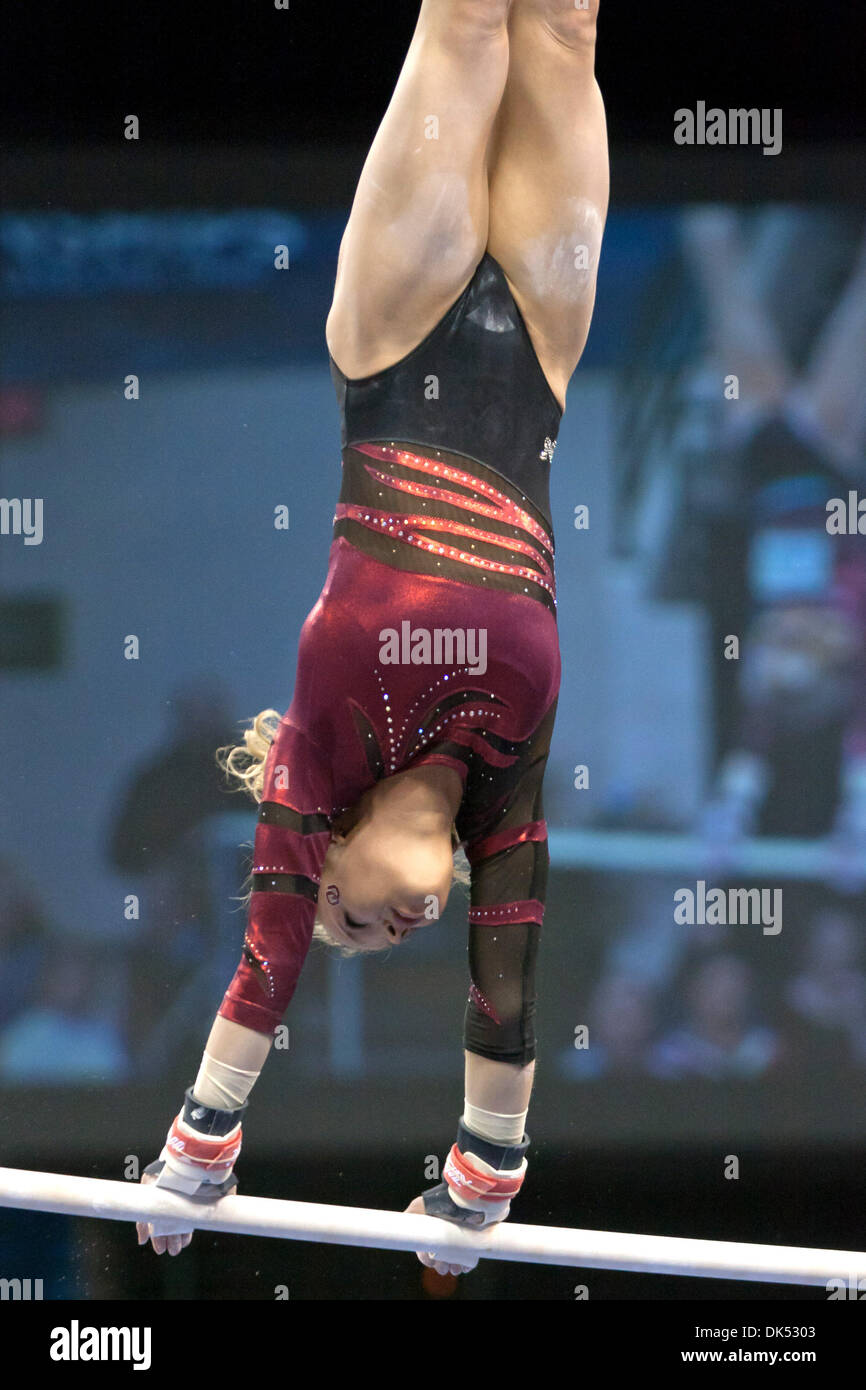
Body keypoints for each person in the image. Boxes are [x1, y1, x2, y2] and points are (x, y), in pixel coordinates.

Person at [137, 0, 608, 1280]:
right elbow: (506, 987)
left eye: (347, 922)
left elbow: (263, 955)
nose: (379, 932)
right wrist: (476, 1188)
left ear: (323, 853)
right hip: (542, 366)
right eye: (388, 942)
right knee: (561, 29)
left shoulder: (316, 748)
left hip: (398, 351)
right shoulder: (503, 789)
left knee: (466, 24)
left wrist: (200, 1146)